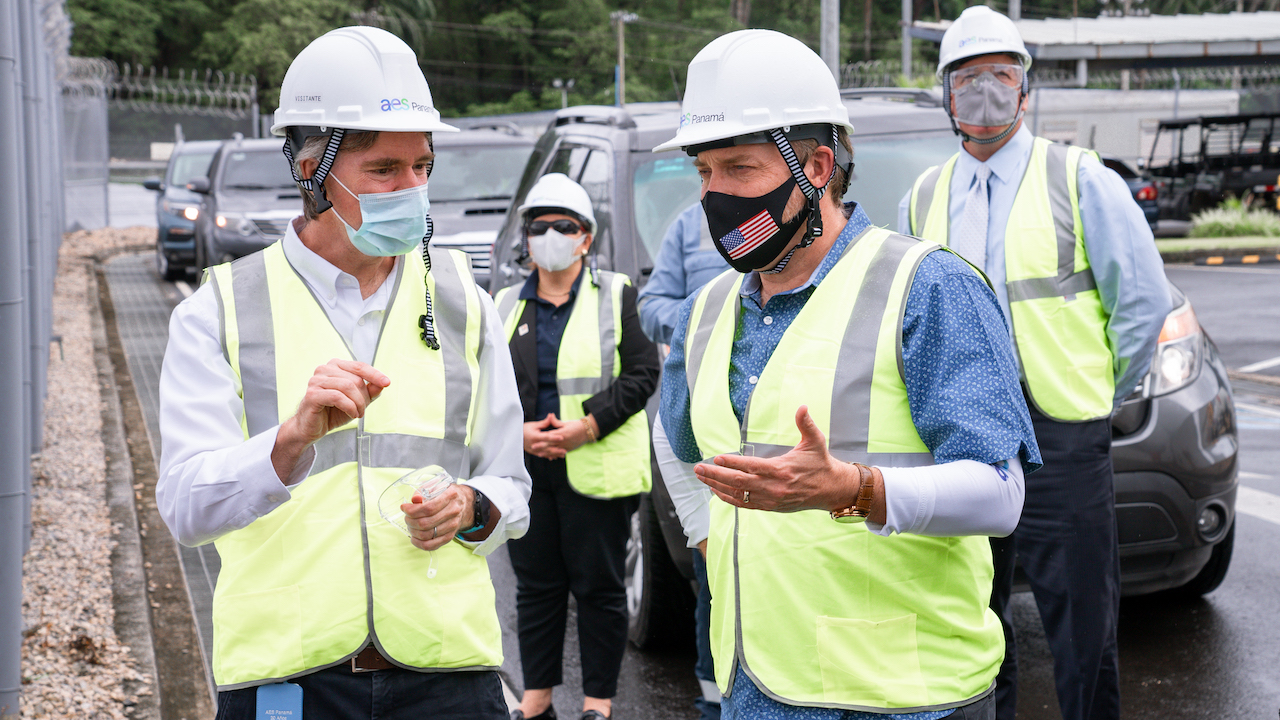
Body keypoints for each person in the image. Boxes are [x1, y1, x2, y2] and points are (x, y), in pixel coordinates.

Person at [656, 29, 1042, 720]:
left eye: (739, 169)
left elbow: (1000, 494)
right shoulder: (704, 311)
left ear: (818, 165)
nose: (715, 196)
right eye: (704, 173)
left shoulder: (928, 287)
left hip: (906, 701)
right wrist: (705, 536)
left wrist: (857, 489)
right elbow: (674, 438)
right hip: (757, 692)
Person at [155, 27, 530, 720]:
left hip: (450, 679)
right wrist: (286, 443)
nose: (412, 189)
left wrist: (474, 508)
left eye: (422, 166)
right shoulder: (219, 312)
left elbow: (511, 484)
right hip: (290, 681)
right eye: (384, 171)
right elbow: (184, 507)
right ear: (310, 169)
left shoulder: (466, 304)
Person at [898, 8, 1171, 720]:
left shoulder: (1080, 179)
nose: (985, 91)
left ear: (1026, 91)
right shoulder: (922, 196)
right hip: (963, 434)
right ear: (946, 95)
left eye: (1001, 76)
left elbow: (1141, 304)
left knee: (1081, 630)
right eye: (968, 78)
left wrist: (1096, 396)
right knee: (974, 619)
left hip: (1062, 435)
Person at [494, 173, 660, 720]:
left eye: (563, 227)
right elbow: (485, 386)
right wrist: (516, 434)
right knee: (536, 588)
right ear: (526, 239)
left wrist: (585, 427)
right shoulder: (502, 307)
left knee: (600, 588)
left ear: (585, 238)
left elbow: (641, 374)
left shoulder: (615, 295)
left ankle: (597, 702)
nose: (550, 236)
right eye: (539, 227)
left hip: (596, 465)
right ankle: (536, 696)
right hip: (528, 468)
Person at [637, 202, 728, 720]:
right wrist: (712, 313)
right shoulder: (689, 225)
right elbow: (654, 306)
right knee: (714, 586)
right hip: (712, 450)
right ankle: (714, 702)